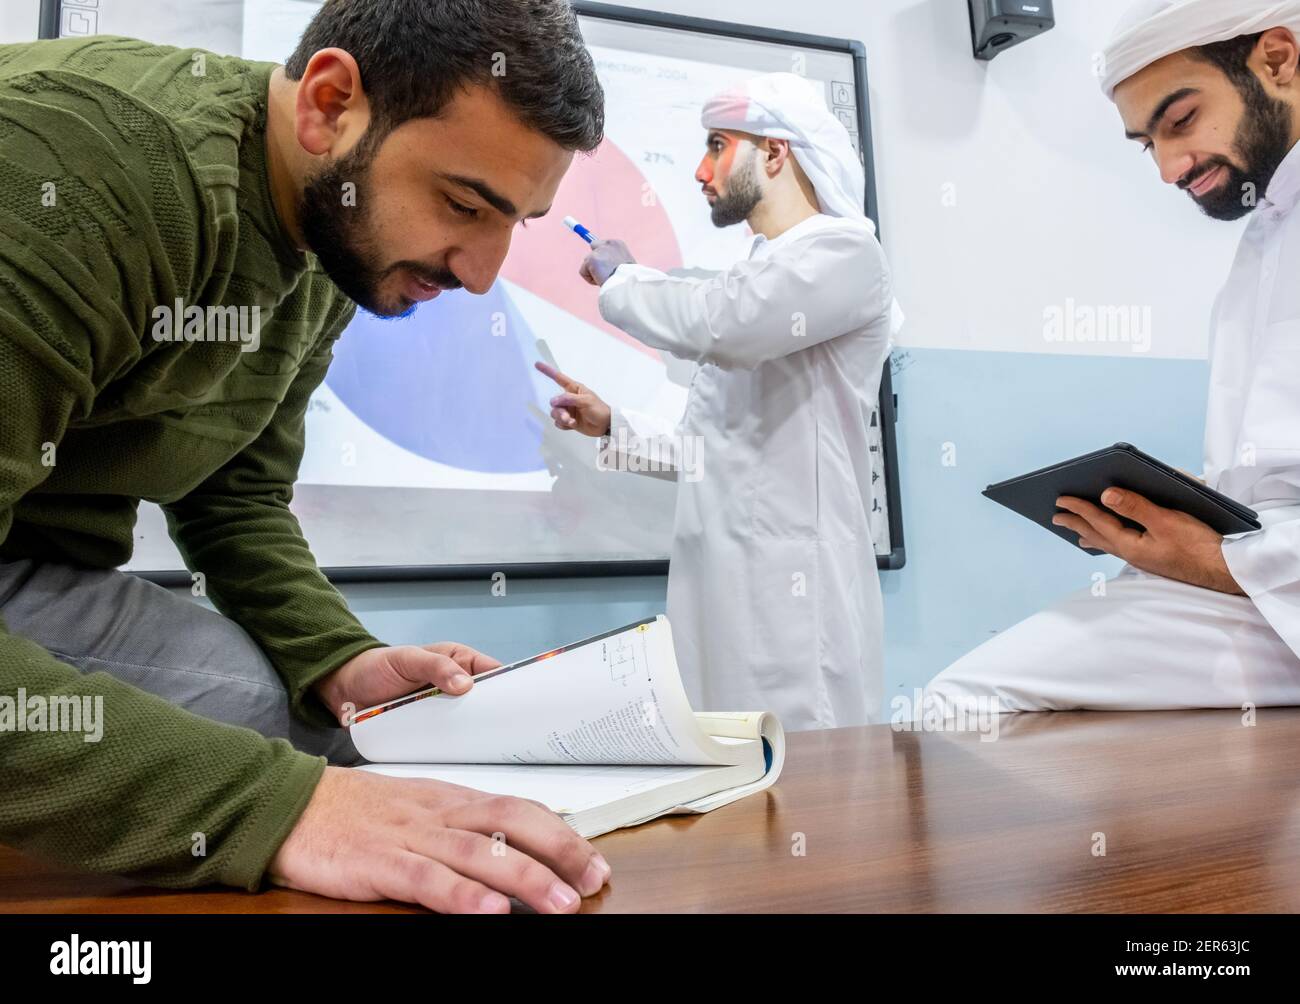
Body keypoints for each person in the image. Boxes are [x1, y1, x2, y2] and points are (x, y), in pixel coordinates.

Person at [0, 0, 613, 913]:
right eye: (462, 204)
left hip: (34, 564)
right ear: (330, 104)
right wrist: (278, 812)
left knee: (311, 718)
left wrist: (337, 659)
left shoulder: (328, 233)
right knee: (269, 751)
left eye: (514, 223)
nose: (482, 273)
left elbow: (234, 495)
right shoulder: (77, 176)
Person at [925, 0, 1300, 714]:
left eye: (1181, 119)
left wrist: (1212, 558)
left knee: (959, 702)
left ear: (1277, 59)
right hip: (1261, 577)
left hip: (1272, 589)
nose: (1168, 168)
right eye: (1146, 144)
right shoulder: (1267, 235)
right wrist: (1195, 504)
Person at [537, 73, 900, 730]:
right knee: (723, 763)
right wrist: (613, 426)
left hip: (795, 599)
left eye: (717, 146)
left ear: (776, 151)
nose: (701, 172)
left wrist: (624, 280)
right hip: (716, 589)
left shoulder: (845, 253)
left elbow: (723, 322)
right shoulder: (761, 275)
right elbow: (711, 452)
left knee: (807, 779)